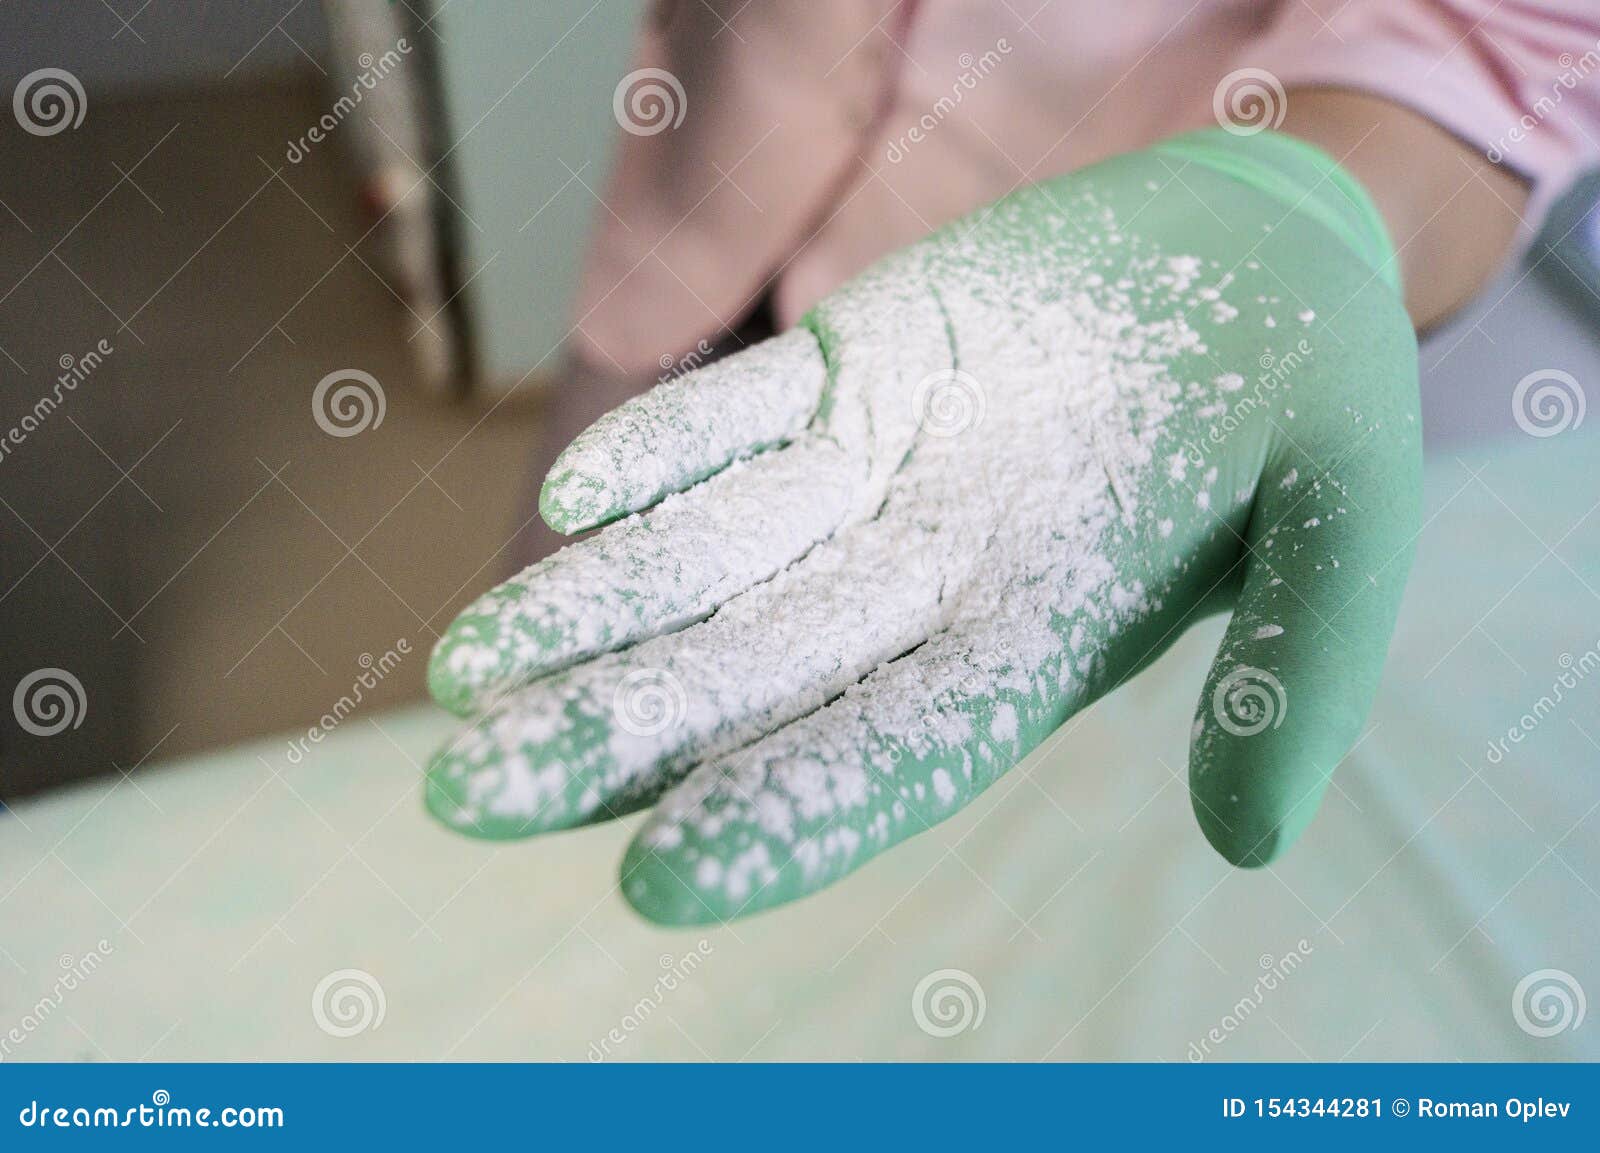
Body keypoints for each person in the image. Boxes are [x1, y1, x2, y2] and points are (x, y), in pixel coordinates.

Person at [424, 2, 1600, 924]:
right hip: (707, 204)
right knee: (578, 675)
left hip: (1085, 374)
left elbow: (1504, 44)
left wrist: (1314, 196)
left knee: (963, 836)